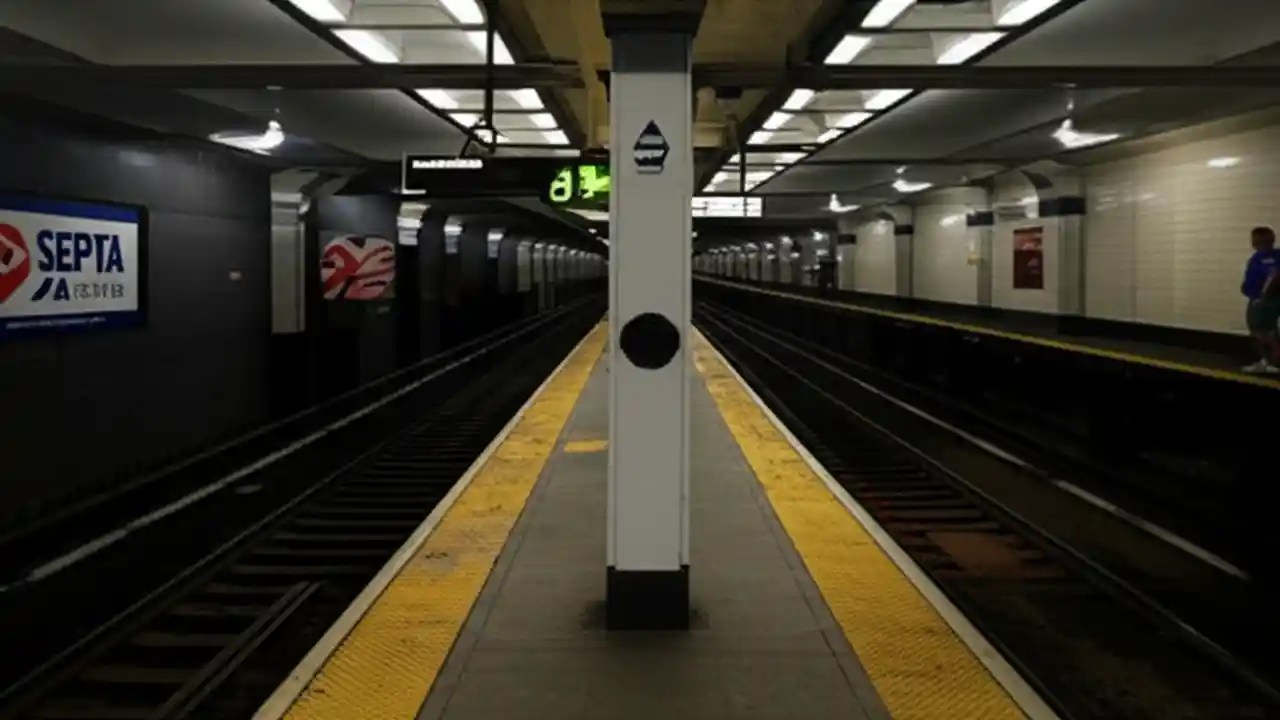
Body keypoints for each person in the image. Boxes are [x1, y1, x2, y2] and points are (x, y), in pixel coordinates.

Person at [1242, 226, 1280, 373]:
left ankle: (1273, 362)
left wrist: (1262, 296)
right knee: (1268, 332)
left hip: (1263, 301)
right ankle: (1268, 361)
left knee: (1263, 333)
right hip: (1265, 300)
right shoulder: (1276, 255)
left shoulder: (1260, 259)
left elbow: (1275, 276)